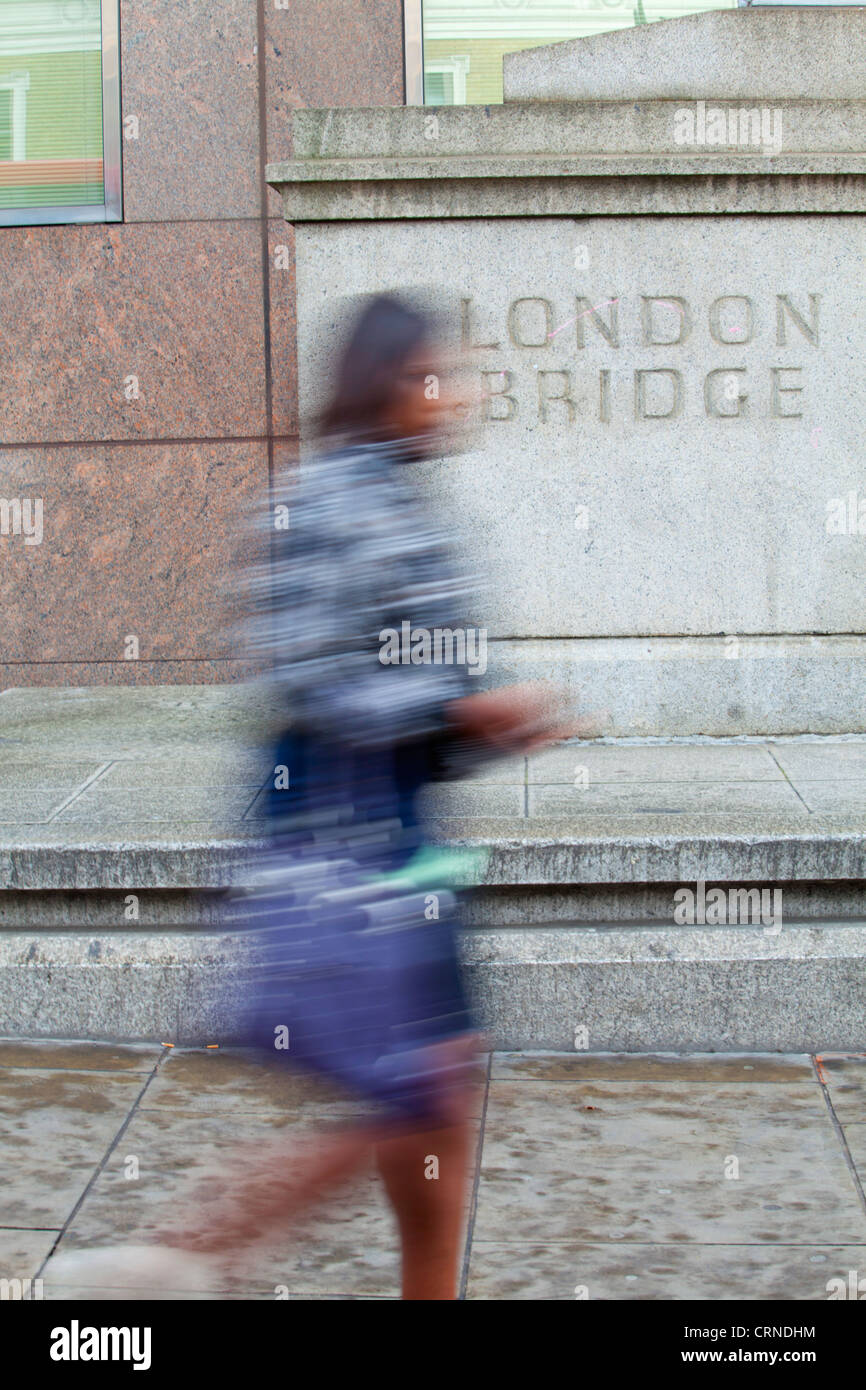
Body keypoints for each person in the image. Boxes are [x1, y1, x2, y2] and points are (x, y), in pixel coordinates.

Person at [49, 292, 574, 1302]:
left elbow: (425, 693)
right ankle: (188, 1250)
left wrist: (487, 720)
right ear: (382, 381)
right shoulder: (322, 500)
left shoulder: (409, 499)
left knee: (436, 1097)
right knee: (419, 1095)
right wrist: (460, 709)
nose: (452, 393)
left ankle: (222, 1257)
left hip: (408, 832)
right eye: (431, 374)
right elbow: (306, 676)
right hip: (347, 839)